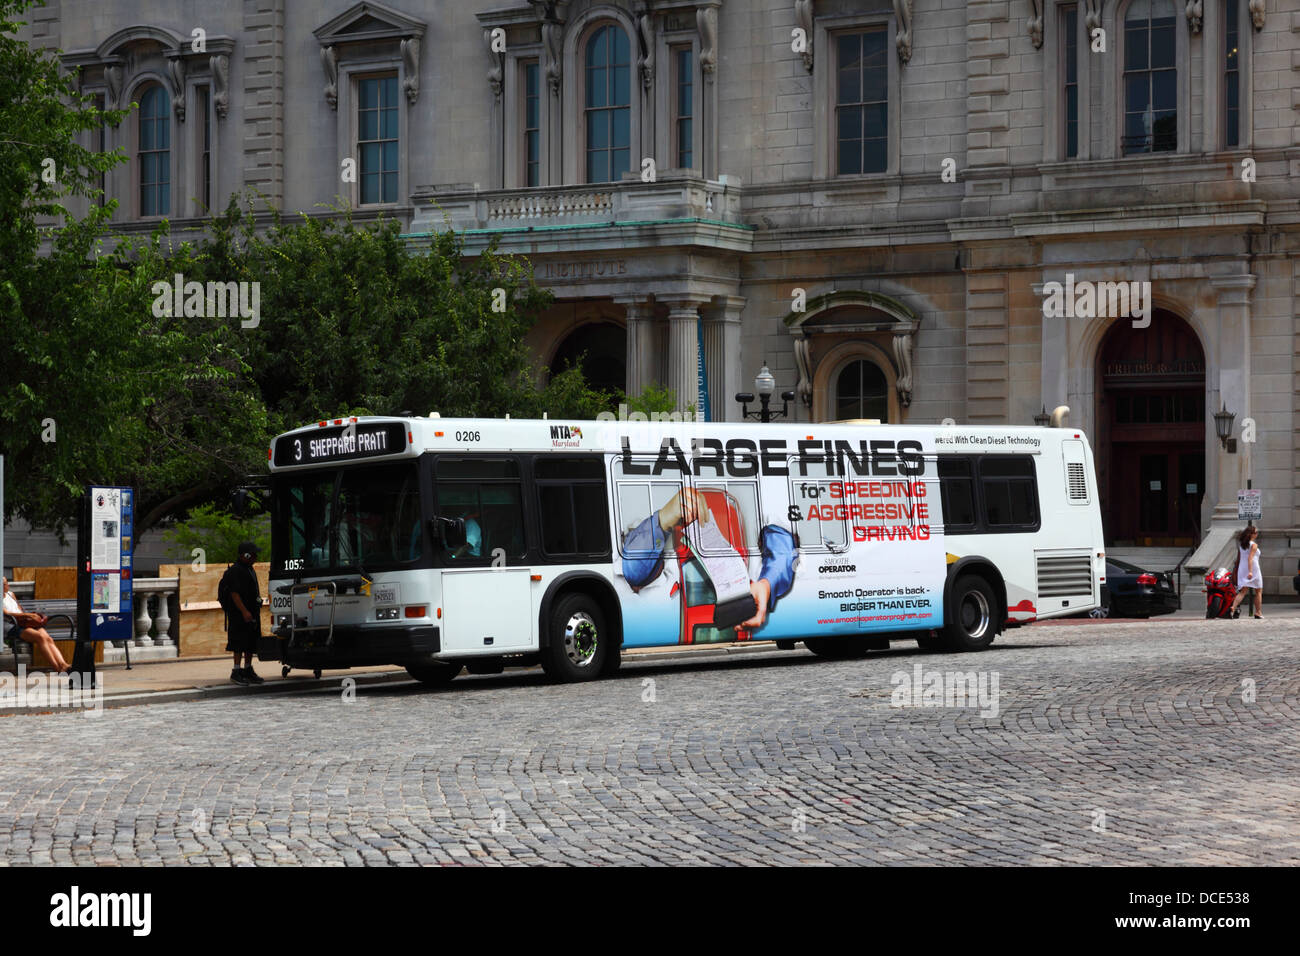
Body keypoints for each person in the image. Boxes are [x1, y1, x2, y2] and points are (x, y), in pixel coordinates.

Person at [622, 488, 796, 631]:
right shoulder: (649, 530)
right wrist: (661, 522)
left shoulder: (758, 509)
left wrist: (767, 584)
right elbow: (633, 571)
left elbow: (782, 547)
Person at [2, 576, 72, 673]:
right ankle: (57, 668)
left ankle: (63, 664)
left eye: (7, 583)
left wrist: (31, 617)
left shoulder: (11, 594)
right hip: (12, 625)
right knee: (40, 637)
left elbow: (19, 609)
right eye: (5, 584)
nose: (7, 586)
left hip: (24, 622)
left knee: (47, 637)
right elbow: (7, 614)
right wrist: (29, 615)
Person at [220, 541, 265, 684]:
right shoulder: (236, 570)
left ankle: (247, 668)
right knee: (238, 642)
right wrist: (244, 611)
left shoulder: (249, 569)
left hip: (252, 612)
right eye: (253, 554)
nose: (255, 557)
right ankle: (236, 670)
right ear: (245, 555)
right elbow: (234, 594)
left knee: (250, 642)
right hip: (239, 614)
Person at [1229, 525, 1264, 620]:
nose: (1257, 534)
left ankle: (1233, 607)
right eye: (1256, 533)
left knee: (1243, 591)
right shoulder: (1253, 545)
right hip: (1253, 568)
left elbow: (1240, 558)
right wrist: (1251, 572)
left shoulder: (1242, 545)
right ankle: (1258, 612)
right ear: (1251, 534)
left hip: (1242, 568)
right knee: (1258, 591)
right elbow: (1250, 558)